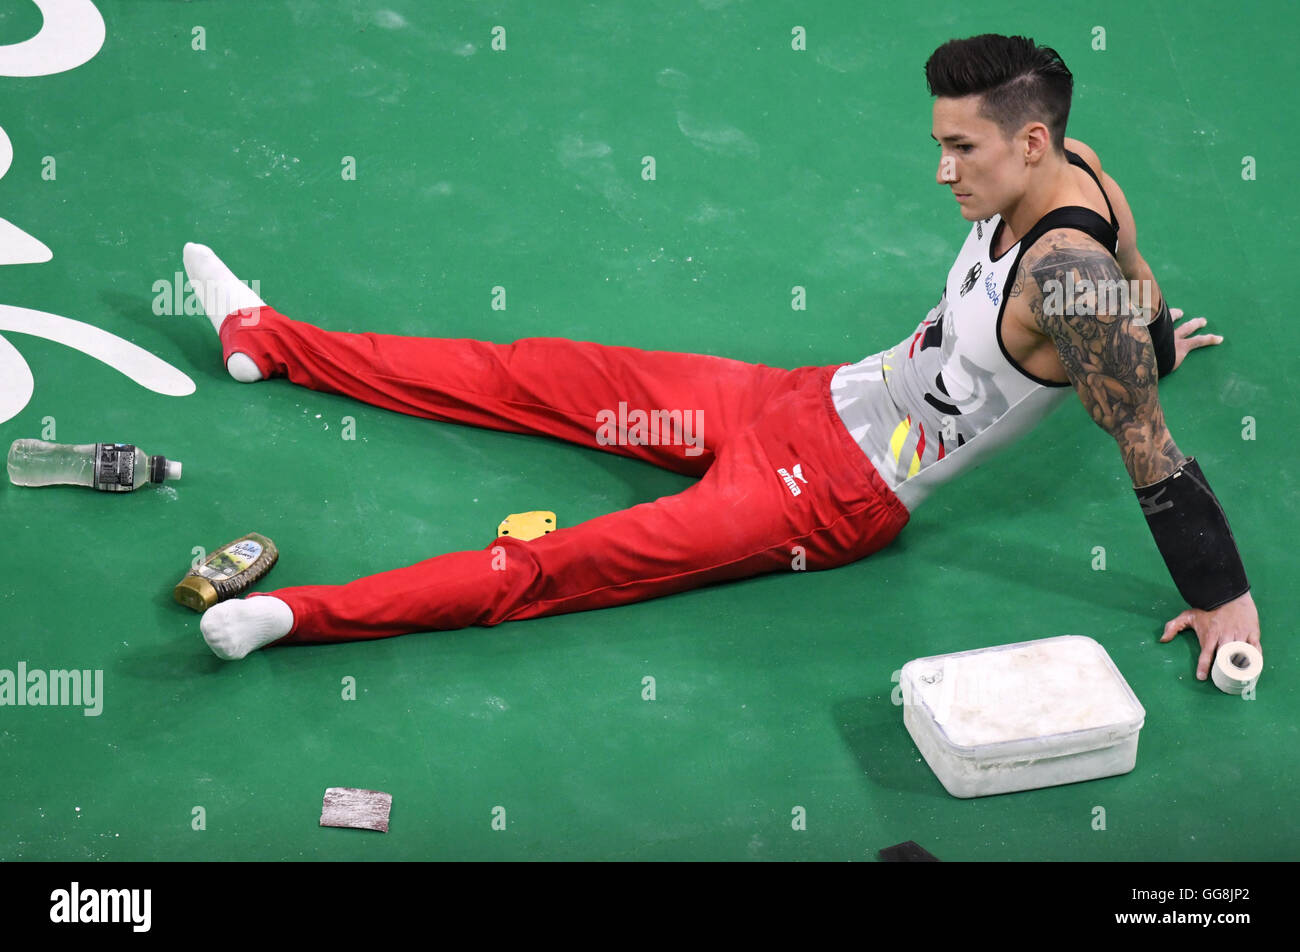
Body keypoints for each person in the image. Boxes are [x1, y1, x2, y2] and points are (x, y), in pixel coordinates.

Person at [190, 33, 1259, 684]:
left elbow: (1147, 450)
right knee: (533, 372)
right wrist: (1142, 336)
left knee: (559, 564)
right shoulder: (1083, 167)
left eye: (960, 148)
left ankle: (296, 616)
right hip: (795, 398)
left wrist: (1220, 596)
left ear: (1027, 142)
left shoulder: (1067, 276)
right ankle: (267, 339)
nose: (940, 171)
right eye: (938, 141)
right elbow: (1135, 278)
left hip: (823, 497)